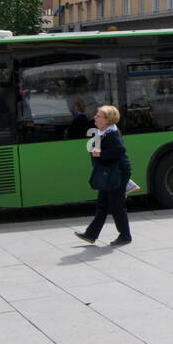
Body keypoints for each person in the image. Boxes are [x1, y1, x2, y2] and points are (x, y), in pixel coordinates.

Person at [75, 105, 132, 246]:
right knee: (102, 205)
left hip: (117, 172)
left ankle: (125, 235)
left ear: (107, 120)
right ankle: (91, 234)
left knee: (116, 205)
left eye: (99, 116)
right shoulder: (103, 132)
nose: (95, 117)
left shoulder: (112, 134)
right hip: (109, 172)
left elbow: (120, 150)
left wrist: (100, 154)